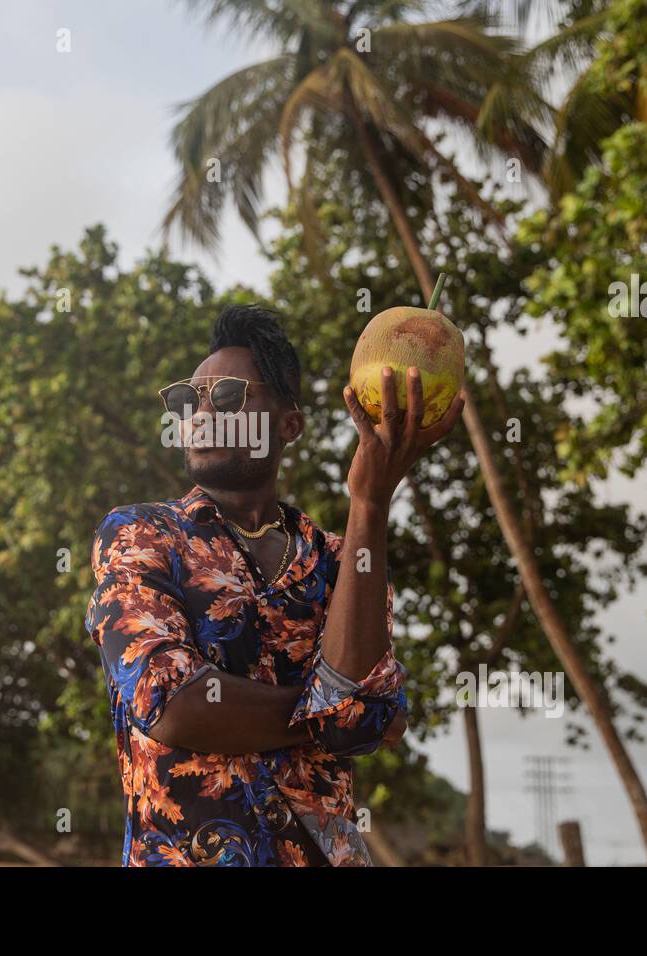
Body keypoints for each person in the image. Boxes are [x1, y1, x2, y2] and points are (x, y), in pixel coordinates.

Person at [84, 304, 464, 866]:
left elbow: (368, 722)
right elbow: (174, 704)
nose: (203, 413)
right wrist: (333, 717)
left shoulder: (340, 559)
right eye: (188, 400)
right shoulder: (141, 534)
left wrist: (371, 501)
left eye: (231, 396)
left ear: (289, 424)